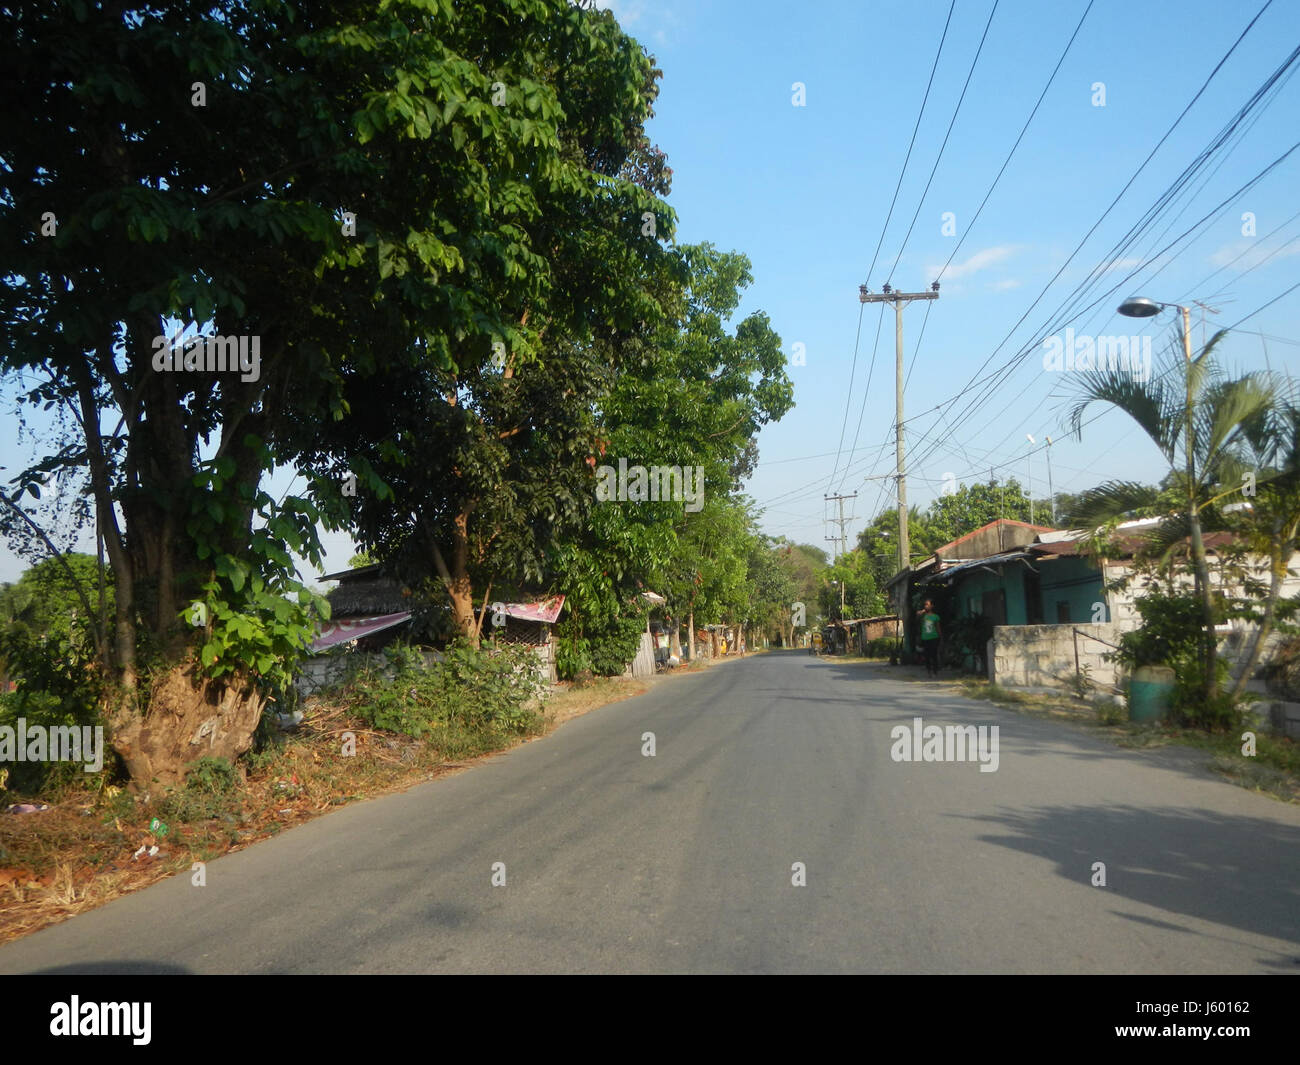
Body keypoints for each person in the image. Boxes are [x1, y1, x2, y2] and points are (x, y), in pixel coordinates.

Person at [917, 599, 942, 677]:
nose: (926, 606)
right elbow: (917, 616)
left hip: (934, 638)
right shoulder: (923, 616)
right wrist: (922, 612)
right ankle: (929, 671)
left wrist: (940, 637)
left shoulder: (935, 617)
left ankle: (935, 671)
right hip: (925, 638)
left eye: (927, 604)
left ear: (932, 606)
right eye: (925, 605)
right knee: (926, 656)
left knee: (934, 655)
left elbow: (938, 628)